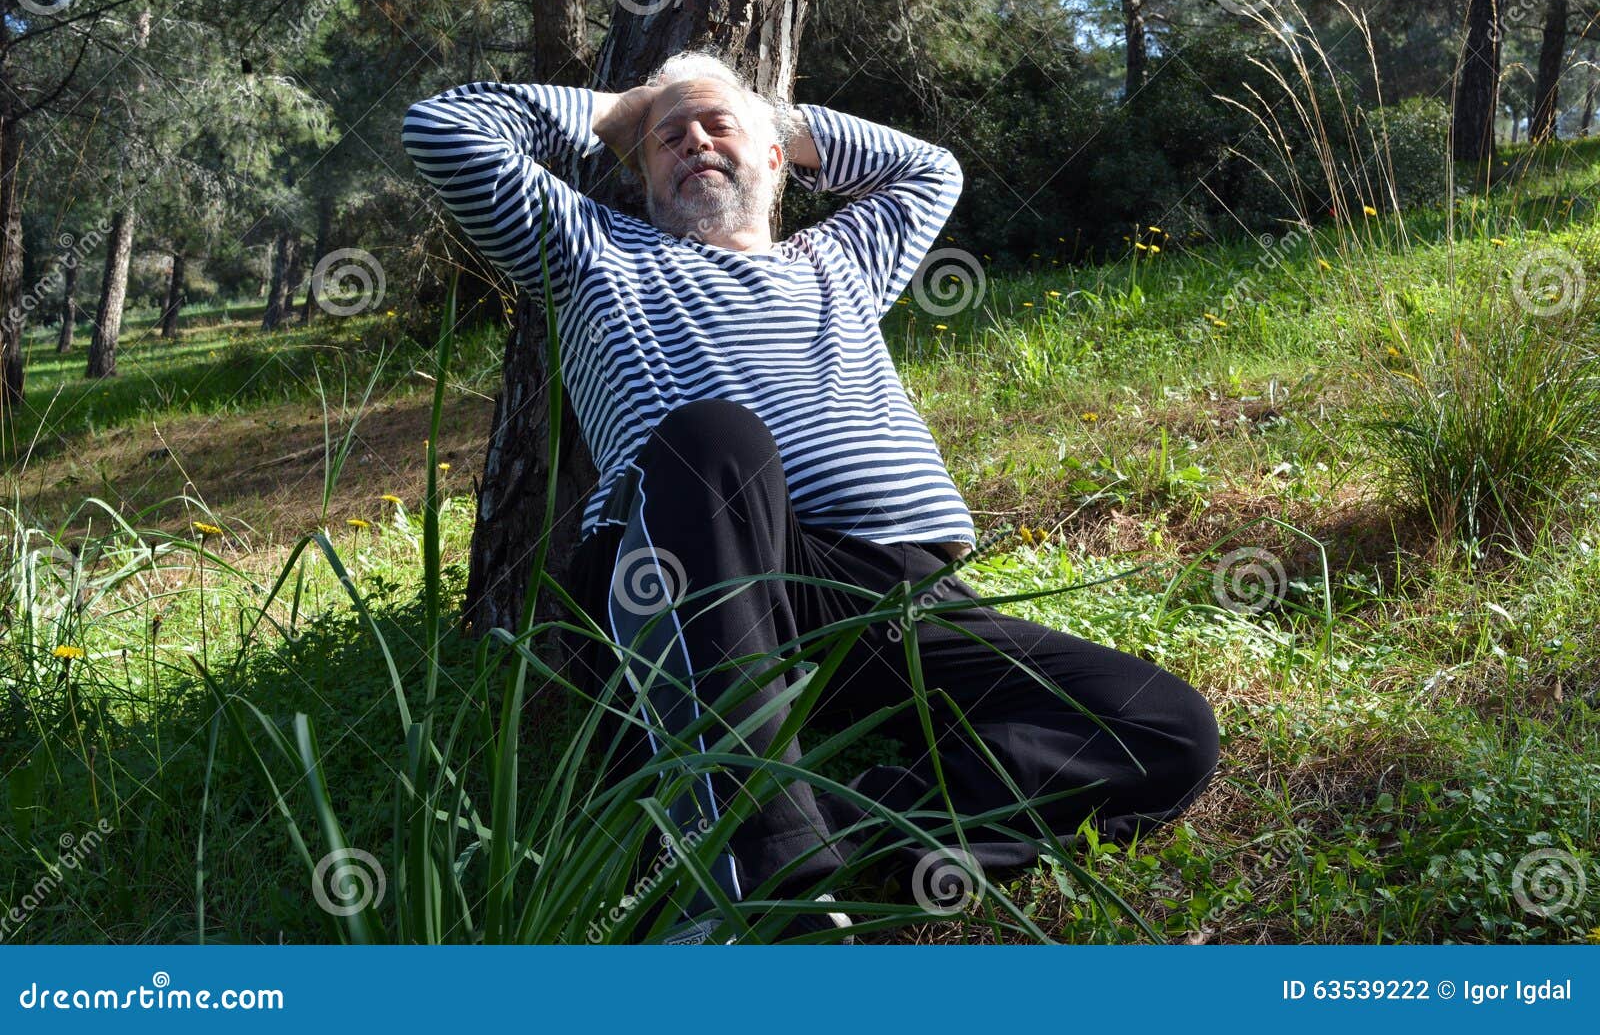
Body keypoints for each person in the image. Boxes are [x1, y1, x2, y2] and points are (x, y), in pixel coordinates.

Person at [401, 50, 1219, 942]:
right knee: (717, 439)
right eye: (668, 141)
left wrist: (760, 113)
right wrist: (630, 107)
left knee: (1164, 728)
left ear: (778, 161)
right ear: (639, 167)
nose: (694, 141)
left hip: (891, 598)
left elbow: (930, 167)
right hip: (691, 570)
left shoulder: (840, 257)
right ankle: (756, 886)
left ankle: (853, 829)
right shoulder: (591, 250)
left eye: (718, 129)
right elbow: (443, 131)